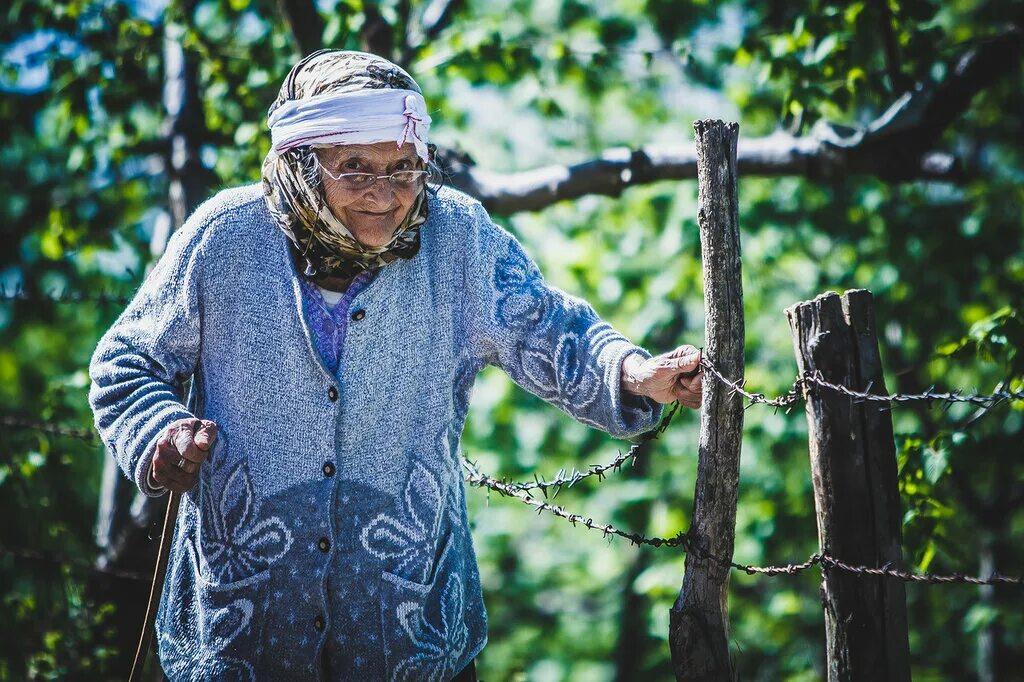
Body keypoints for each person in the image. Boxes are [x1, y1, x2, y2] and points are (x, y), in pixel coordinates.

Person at [88, 49, 703, 681]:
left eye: (404, 168)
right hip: (242, 643)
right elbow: (125, 363)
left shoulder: (456, 239)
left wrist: (633, 373)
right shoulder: (225, 239)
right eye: (355, 167)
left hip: (414, 644)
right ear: (301, 163)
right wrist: (159, 433)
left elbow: (547, 326)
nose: (384, 195)